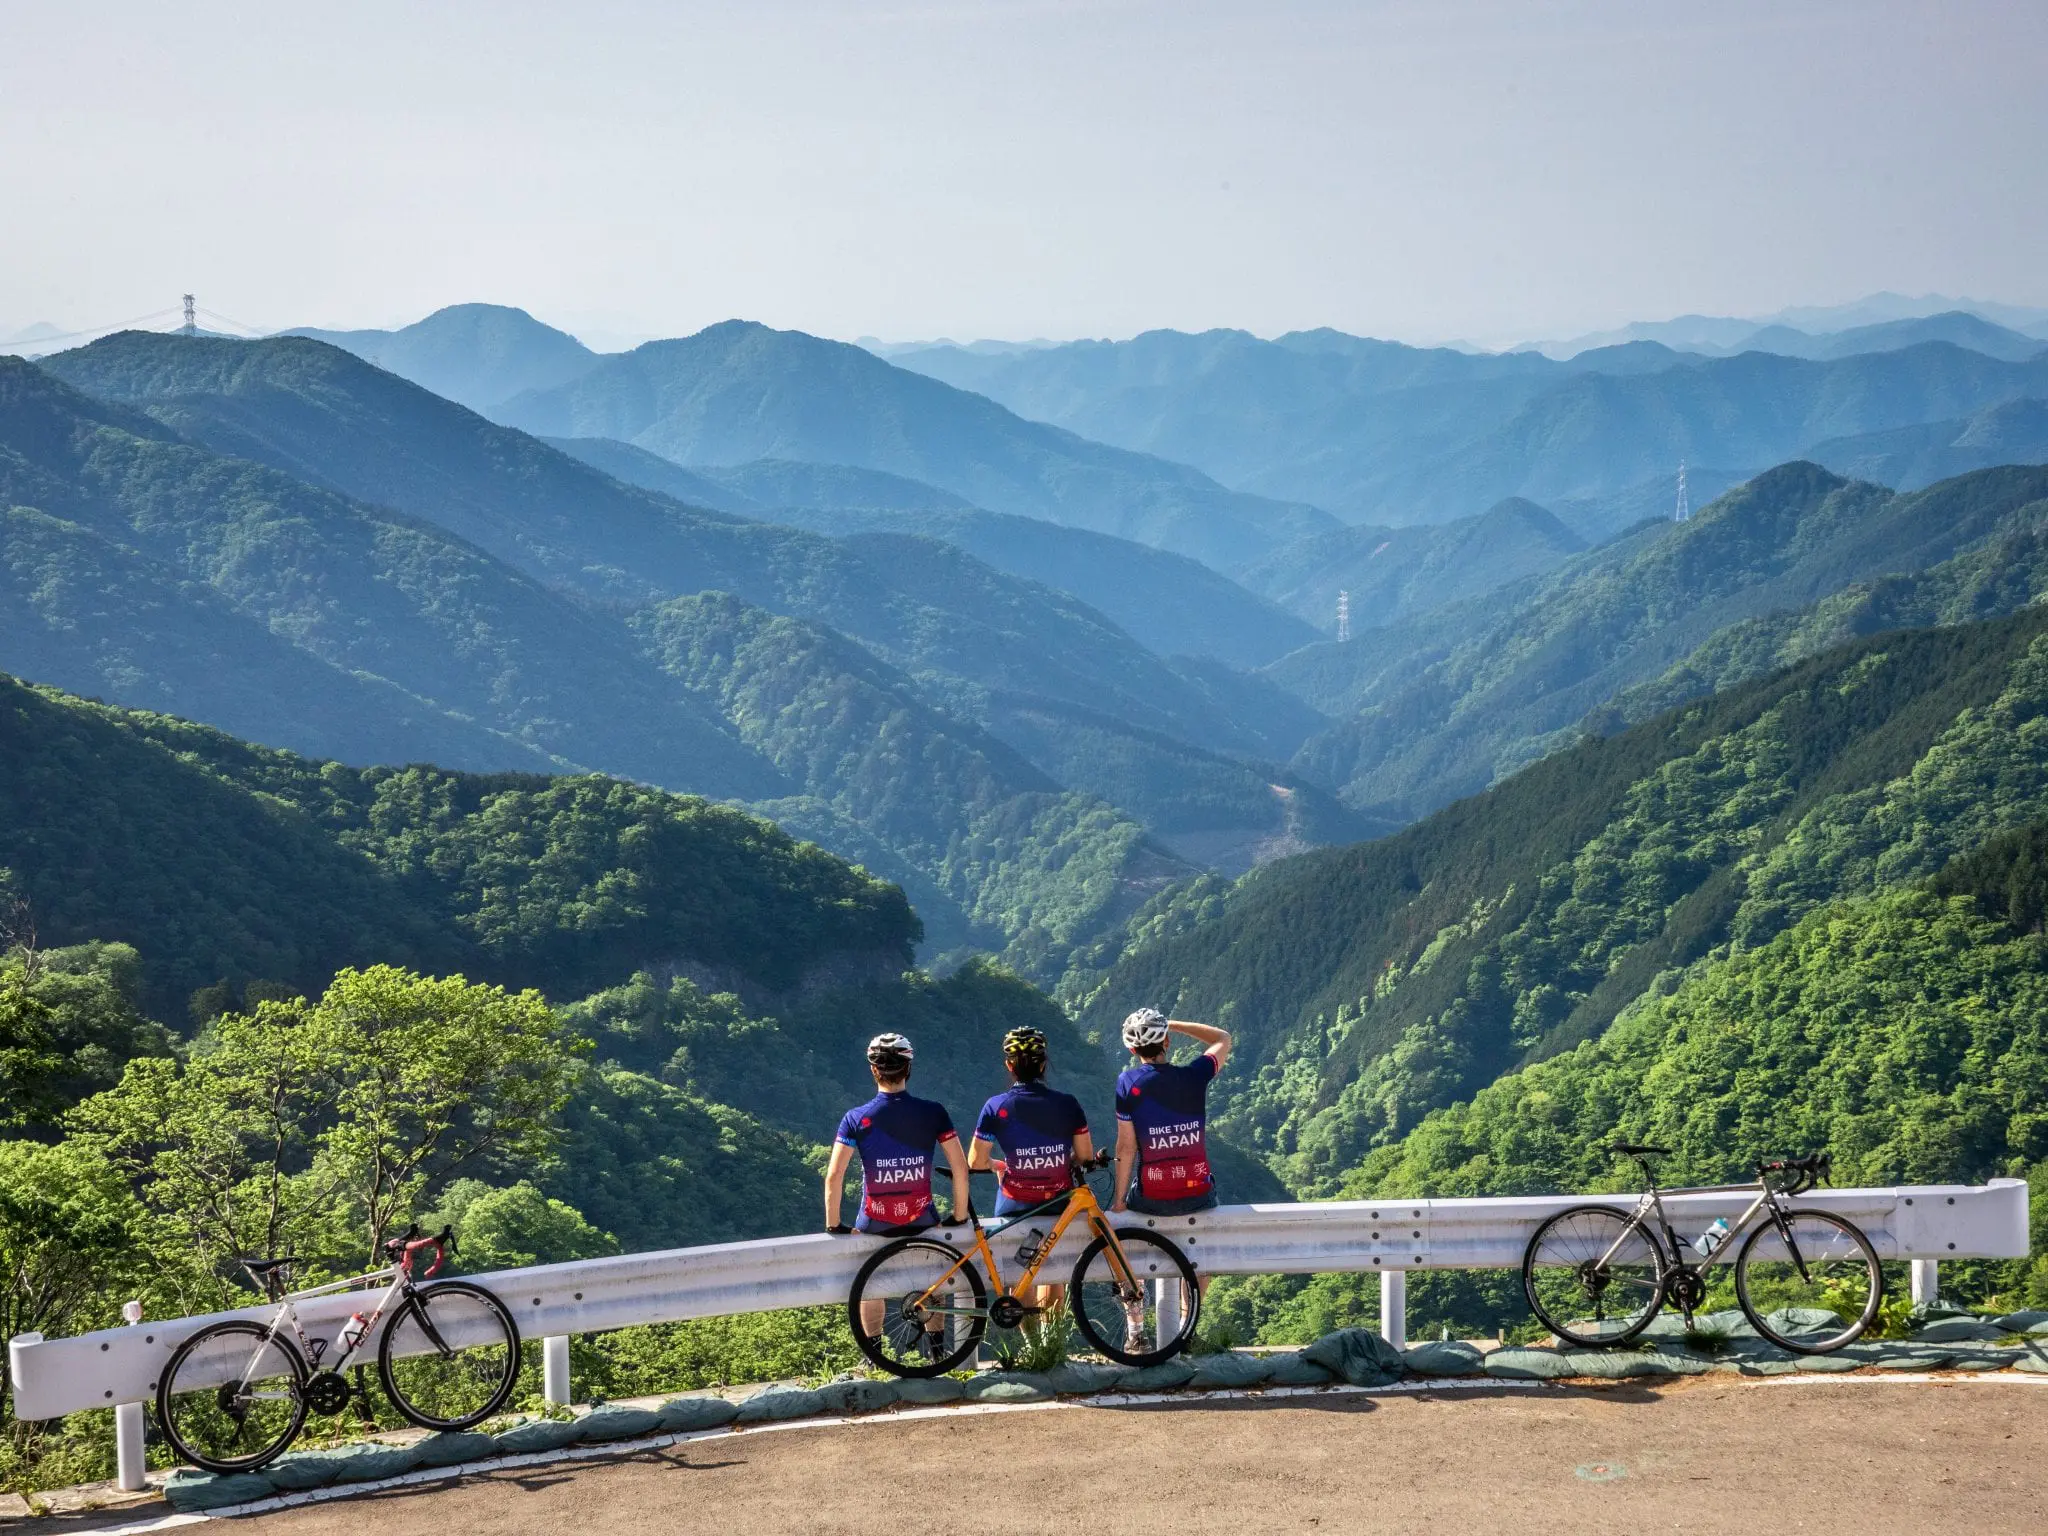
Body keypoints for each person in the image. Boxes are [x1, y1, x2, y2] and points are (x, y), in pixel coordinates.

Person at [968, 1025, 1094, 1312]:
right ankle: (1051, 1336)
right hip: (1058, 1201)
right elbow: (1085, 1155)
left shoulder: (996, 1106)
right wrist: (1059, 1159)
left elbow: (975, 1162)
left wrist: (998, 1165)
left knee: (1020, 1272)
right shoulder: (1067, 1104)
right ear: (1043, 1064)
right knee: (1054, 1270)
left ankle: (1029, 1335)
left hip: (1015, 1204)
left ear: (1009, 1066)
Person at [823, 1032, 970, 1236]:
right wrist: (959, 1217)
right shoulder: (934, 1112)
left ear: (873, 1069)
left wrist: (834, 1225)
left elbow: (835, 1175)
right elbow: (960, 1168)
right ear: (908, 1068)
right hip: (923, 1221)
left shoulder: (854, 1118)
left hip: (873, 1224)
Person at [1111, 1007, 1230, 1222]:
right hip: (1199, 1197)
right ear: (1166, 1041)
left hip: (1151, 1199)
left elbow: (1127, 1147)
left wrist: (1119, 1202)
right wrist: (1171, 1024)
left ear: (1133, 1050)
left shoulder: (1127, 1083)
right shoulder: (1195, 1075)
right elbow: (1222, 1038)